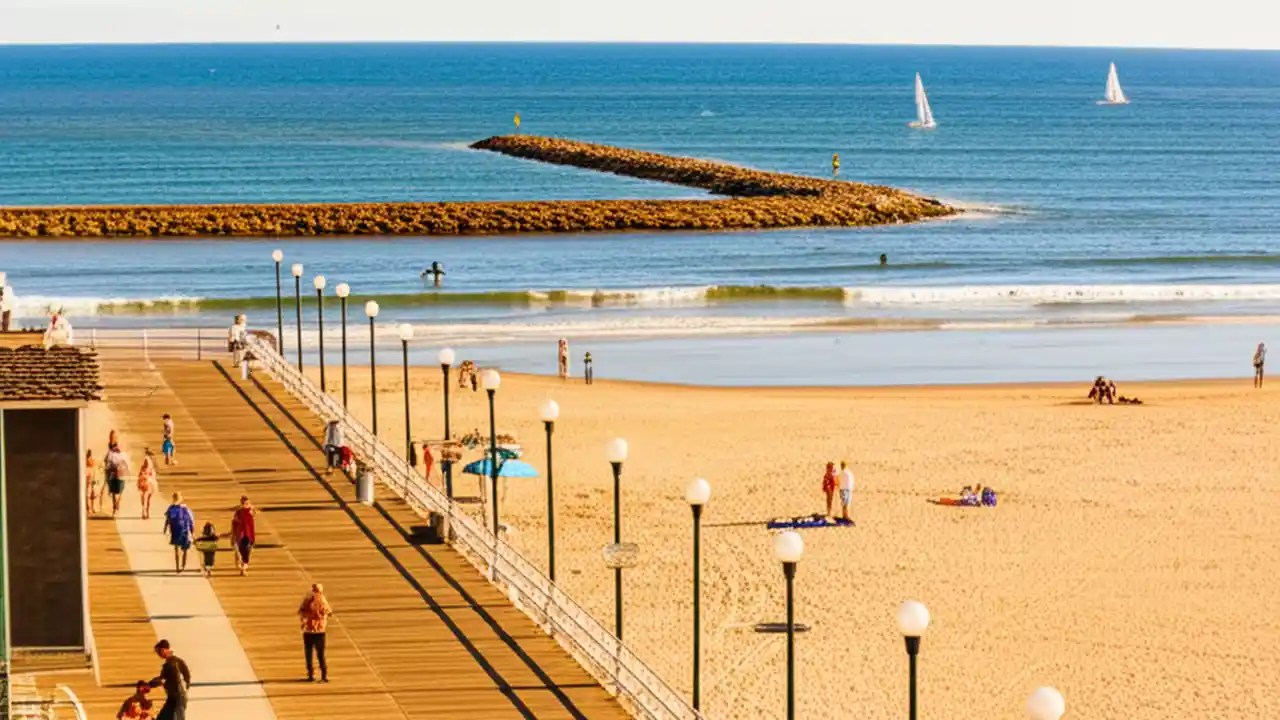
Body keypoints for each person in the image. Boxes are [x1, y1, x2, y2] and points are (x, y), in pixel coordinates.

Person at [298, 583, 333, 682]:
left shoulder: (322, 602)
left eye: (318, 591)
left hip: (319, 631)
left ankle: (323, 675)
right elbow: (301, 611)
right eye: (315, 591)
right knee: (309, 654)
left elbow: (329, 612)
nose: (317, 593)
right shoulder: (308, 601)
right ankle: (311, 674)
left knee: (320, 654)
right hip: (309, 631)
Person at [148, 639, 190, 720]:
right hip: (177, 697)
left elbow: (161, 680)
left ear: (164, 650)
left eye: (159, 652)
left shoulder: (170, 664)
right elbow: (187, 678)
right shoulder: (179, 661)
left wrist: (149, 684)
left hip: (177, 698)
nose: (159, 655)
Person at [162, 493, 194, 574]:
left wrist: (165, 528)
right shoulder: (186, 508)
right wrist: (192, 531)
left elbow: (168, 519)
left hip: (175, 530)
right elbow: (191, 520)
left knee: (176, 550)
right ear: (180, 499)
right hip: (185, 529)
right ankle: (183, 566)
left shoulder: (171, 508)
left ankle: (177, 567)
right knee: (185, 549)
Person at [230, 495, 257, 576]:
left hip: (247, 534)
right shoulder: (240, 512)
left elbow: (253, 513)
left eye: (247, 503)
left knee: (246, 551)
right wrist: (233, 534)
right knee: (242, 551)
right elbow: (234, 523)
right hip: (241, 535)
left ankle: (243, 568)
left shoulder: (249, 511)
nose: (247, 505)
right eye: (245, 503)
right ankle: (243, 567)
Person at [104, 444, 130, 518]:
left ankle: (117, 507)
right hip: (113, 474)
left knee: (119, 493)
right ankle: (115, 508)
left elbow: (127, 465)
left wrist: (126, 471)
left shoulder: (124, 454)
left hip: (121, 476)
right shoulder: (111, 454)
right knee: (114, 493)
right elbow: (108, 464)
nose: (117, 448)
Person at [137, 449, 159, 520]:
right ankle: (145, 511)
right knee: (146, 497)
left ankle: (145, 511)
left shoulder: (147, 463)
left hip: (146, 481)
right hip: (148, 481)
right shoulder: (148, 461)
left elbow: (142, 473)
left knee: (145, 497)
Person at [85, 449, 99, 516]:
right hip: (92, 479)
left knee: (90, 495)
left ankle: (91, 509)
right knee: (91, 495)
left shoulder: (88, 460)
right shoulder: (91, 461)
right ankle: (91, 509)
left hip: (91, 479)